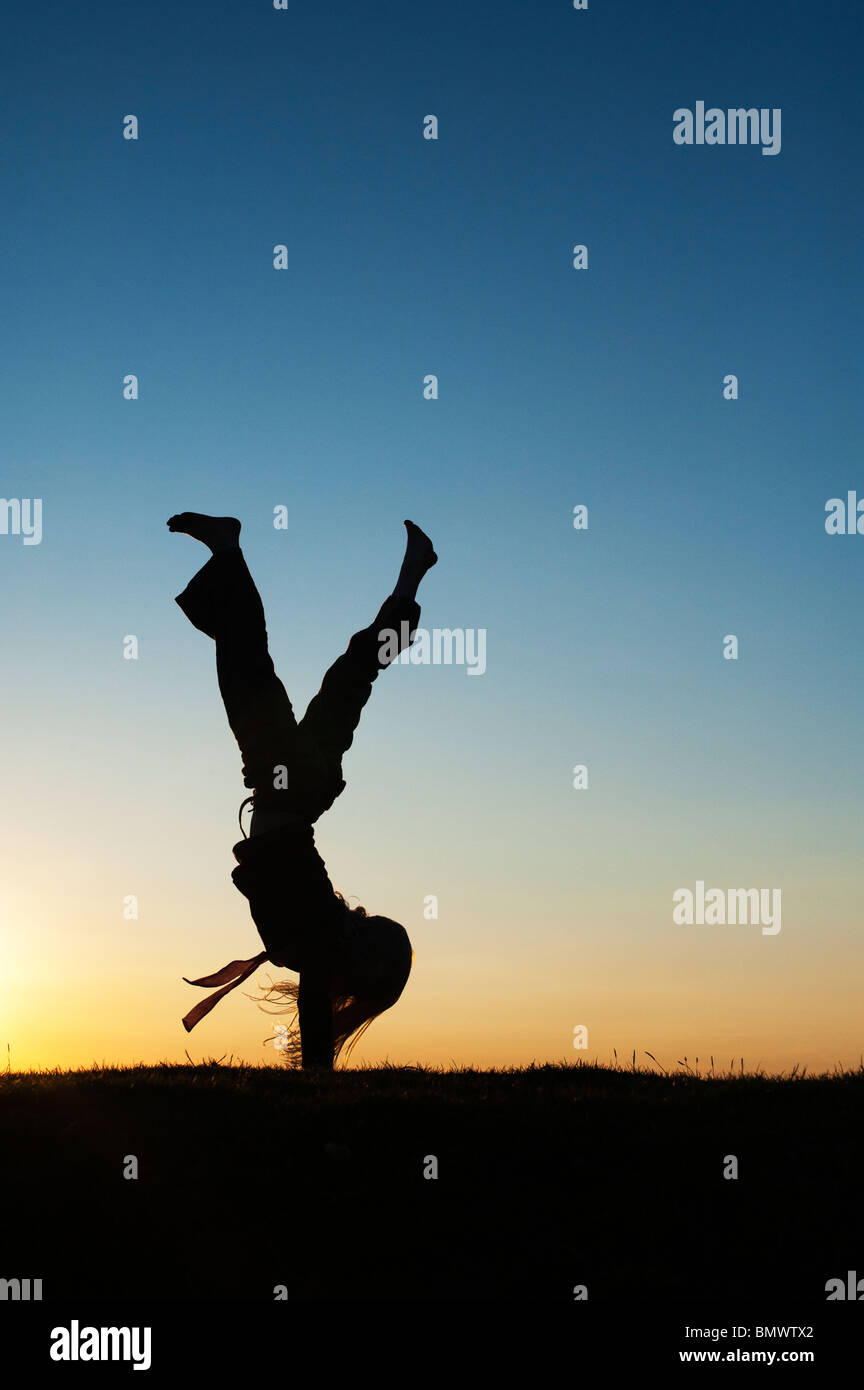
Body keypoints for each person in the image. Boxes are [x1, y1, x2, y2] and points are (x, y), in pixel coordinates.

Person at [168, 511, 437, 1069]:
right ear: (358, 966)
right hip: (284, 785)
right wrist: (318, 1071)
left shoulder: (317, 938)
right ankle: (228, 548)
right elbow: (315, 1001)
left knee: (353, 673)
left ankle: (412, 576)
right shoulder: (319, 942)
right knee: (248, 668)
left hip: (306, 786)